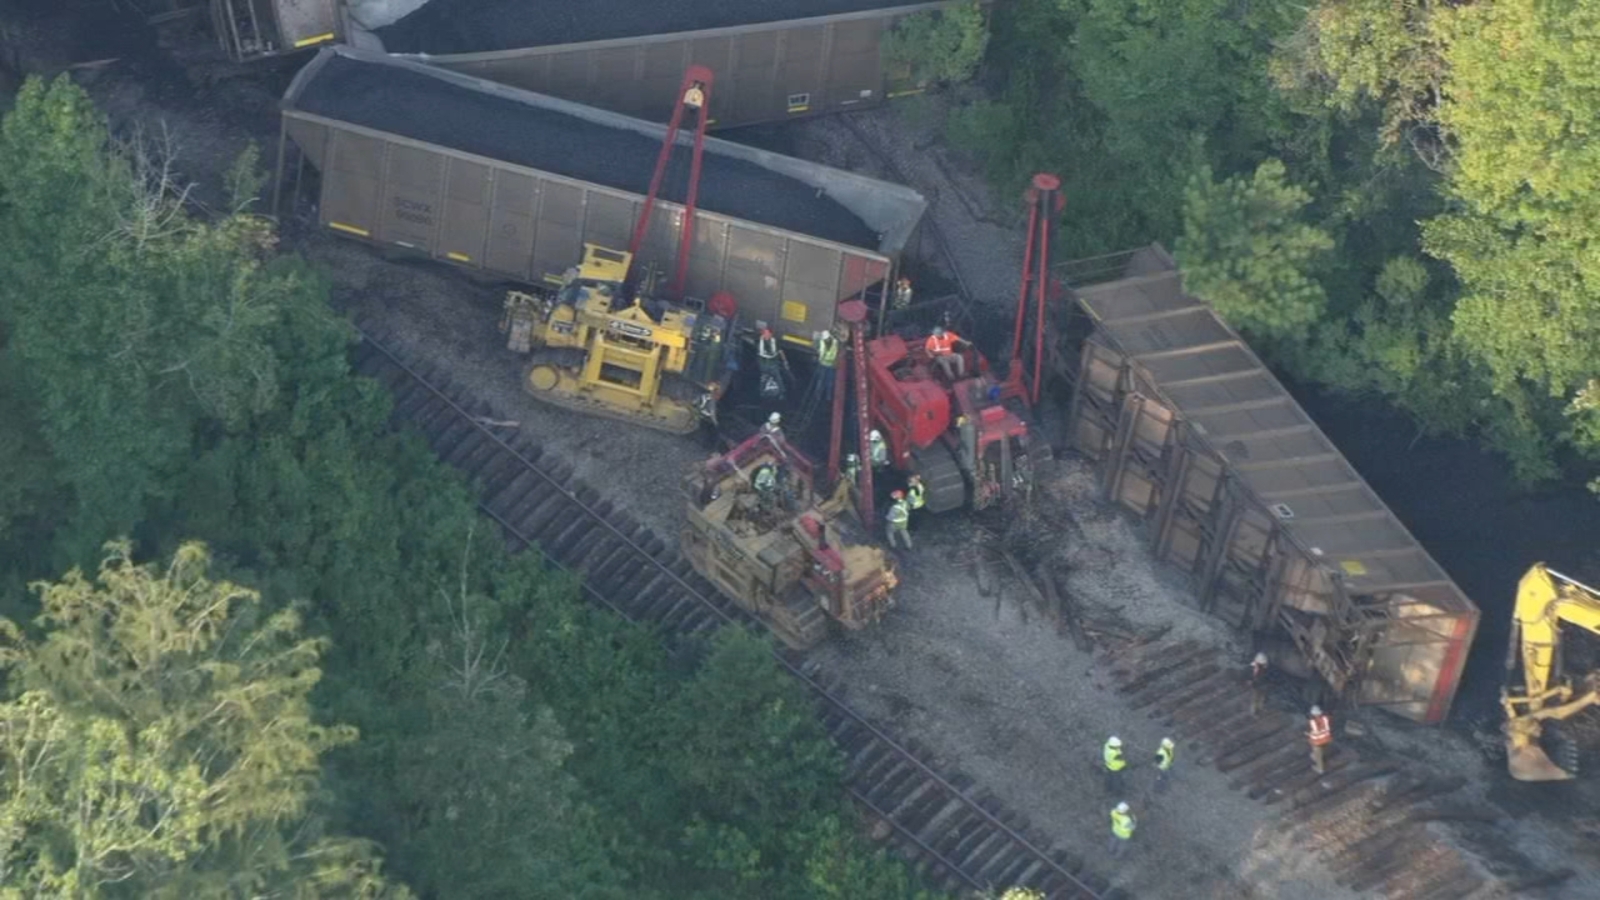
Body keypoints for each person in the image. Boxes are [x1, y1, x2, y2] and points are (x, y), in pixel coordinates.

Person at [815, 328, 840, 400]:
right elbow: (821, 351)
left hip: (830, 365)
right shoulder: (823, 342)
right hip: (824, 364)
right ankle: (819, 395)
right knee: (822, 381)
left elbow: (837, 352)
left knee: (829, 381)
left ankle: (827, 396)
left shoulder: (835, 342)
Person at [1307, 705, 1333, 774]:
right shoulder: (1325, 718)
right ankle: (1315, 756)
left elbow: (1316, 731)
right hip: (1327, 738)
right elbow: (1327, 728)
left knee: (1318, 755)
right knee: (1323, 749)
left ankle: (1320, 768)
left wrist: (1310, 734)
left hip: (1317, 741)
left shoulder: (1313, 721)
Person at [1248, 651, 1269, 716]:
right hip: (1258, 684)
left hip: (1260, 684)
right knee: (1257, 697)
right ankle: (1256, 711)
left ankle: (1258, 710)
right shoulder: (1255, 667)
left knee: (1260, 696)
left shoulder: (1260, 667)